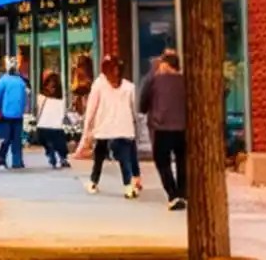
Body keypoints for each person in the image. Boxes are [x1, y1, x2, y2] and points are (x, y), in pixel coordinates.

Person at [83, 55, 139, 198]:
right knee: (124, 159)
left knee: (99, 157)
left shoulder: (99, 85)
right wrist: (135, 126)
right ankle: (128, 187)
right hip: (124, 128)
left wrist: (87, 131)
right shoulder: (129, 87)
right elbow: (134, 110)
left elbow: (91, 109)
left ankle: (93, 181)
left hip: (104, 128)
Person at [140, 49, 187, 210]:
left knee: (162, 162)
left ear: (165, 65)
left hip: (161, 127)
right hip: (183, 128)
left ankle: (172, 194)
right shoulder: (185, 80)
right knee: (182, 162)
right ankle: (182, 193)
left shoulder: (153, 80)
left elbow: (142, 104)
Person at [0, 57, 28, 170]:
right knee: (17, 139)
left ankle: (1, 157)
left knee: (6, 138)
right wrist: (23, 110)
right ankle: (17, 161)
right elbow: (25, 98)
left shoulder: (3, 80)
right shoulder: (21, 81)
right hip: (18, 115)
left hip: (6, 114)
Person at [36, 73, 71, 168]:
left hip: (42, 126)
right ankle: (62, 158)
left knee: (47, 141)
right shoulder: (62, 100)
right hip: (56, 127)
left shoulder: (41, 97)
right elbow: (63, 115)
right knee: (60, 143)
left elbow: (38, 111)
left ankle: (50, 153)